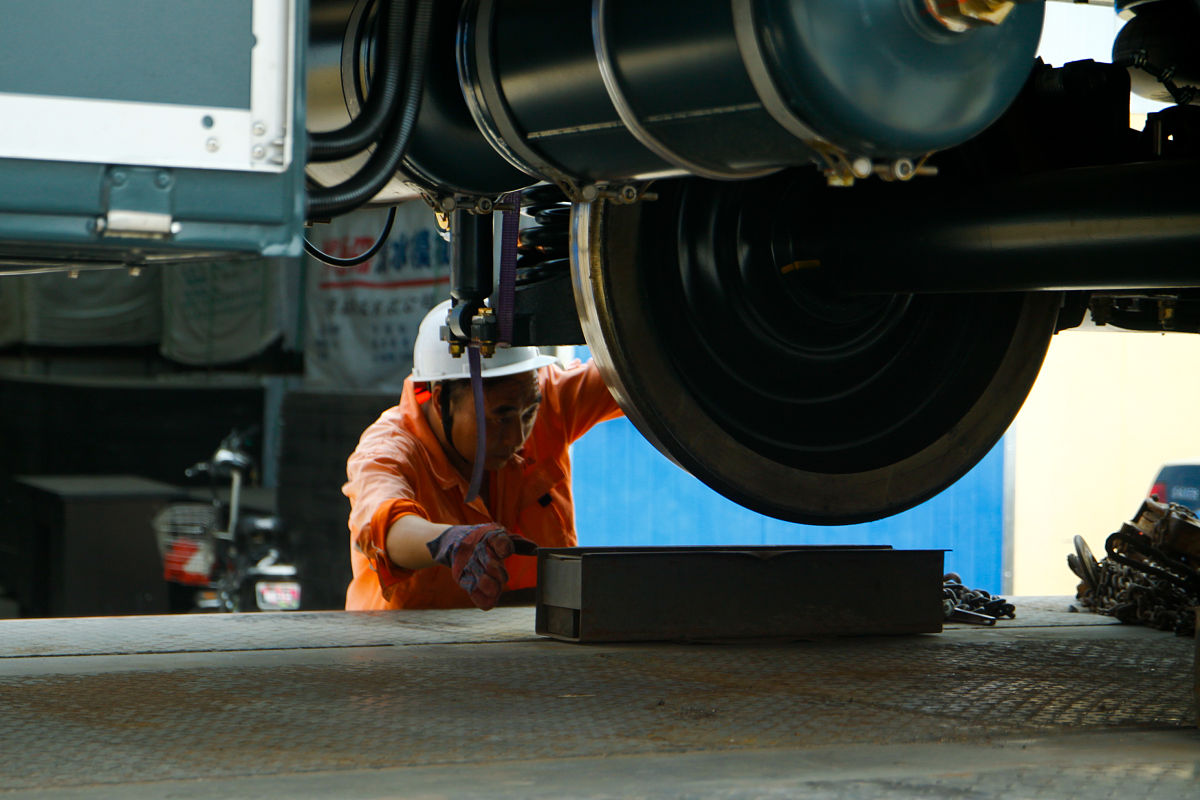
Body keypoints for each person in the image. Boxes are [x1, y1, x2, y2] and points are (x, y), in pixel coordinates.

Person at [344, 300, 623, 610]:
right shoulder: (389, 451)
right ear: (441, 402)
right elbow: (389, 529)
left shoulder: (542, 401)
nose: (518, 438)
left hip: (529, 646)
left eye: (529, 413)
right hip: (407, 652)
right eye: (500, 415)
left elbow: (640, 372)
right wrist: (450, 542)